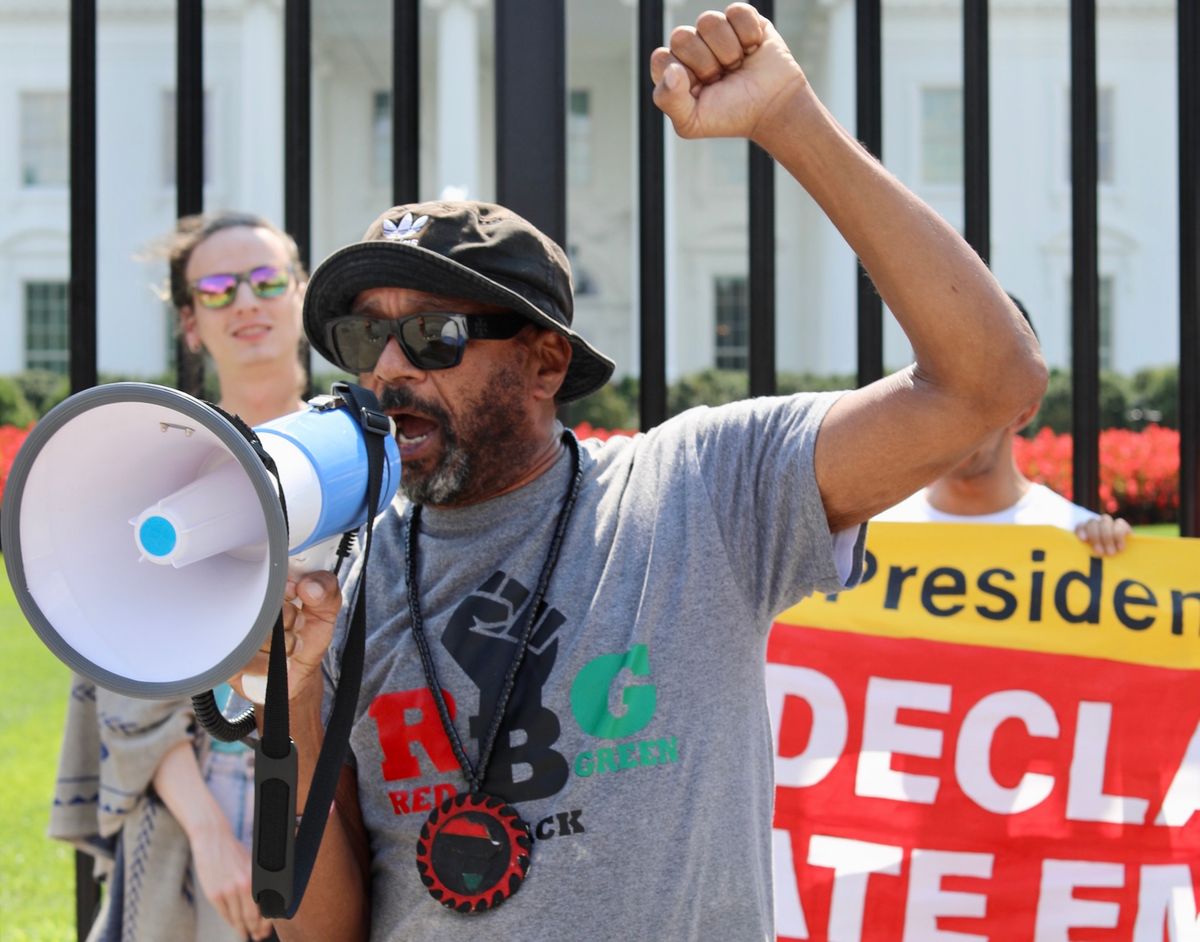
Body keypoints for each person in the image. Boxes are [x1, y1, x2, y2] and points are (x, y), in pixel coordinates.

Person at [242, 6, 1046, 941]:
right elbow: (317, 930)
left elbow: (990, 383)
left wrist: (791, 120)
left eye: (434, 333)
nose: (387, 369)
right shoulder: (342, 577)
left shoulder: (703, 489)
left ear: (545, 363)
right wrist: (294, 698)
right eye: (363, 335)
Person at [49, 211, 308, 942]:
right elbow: (125, 680)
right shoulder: (157, 468)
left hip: (333, 798)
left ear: (300, 292)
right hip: (198, 811)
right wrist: (212, 838)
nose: (248, 303)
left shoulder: (359, 459)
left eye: (266, 281)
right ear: (191, 323)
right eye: (220, 290)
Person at [875, 297, 1131, 556]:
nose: (952, 417)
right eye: (936, 391)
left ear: (1023, 412)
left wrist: (1114, 554)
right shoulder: (874, 541)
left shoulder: (1078, 537)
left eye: (975, 395)